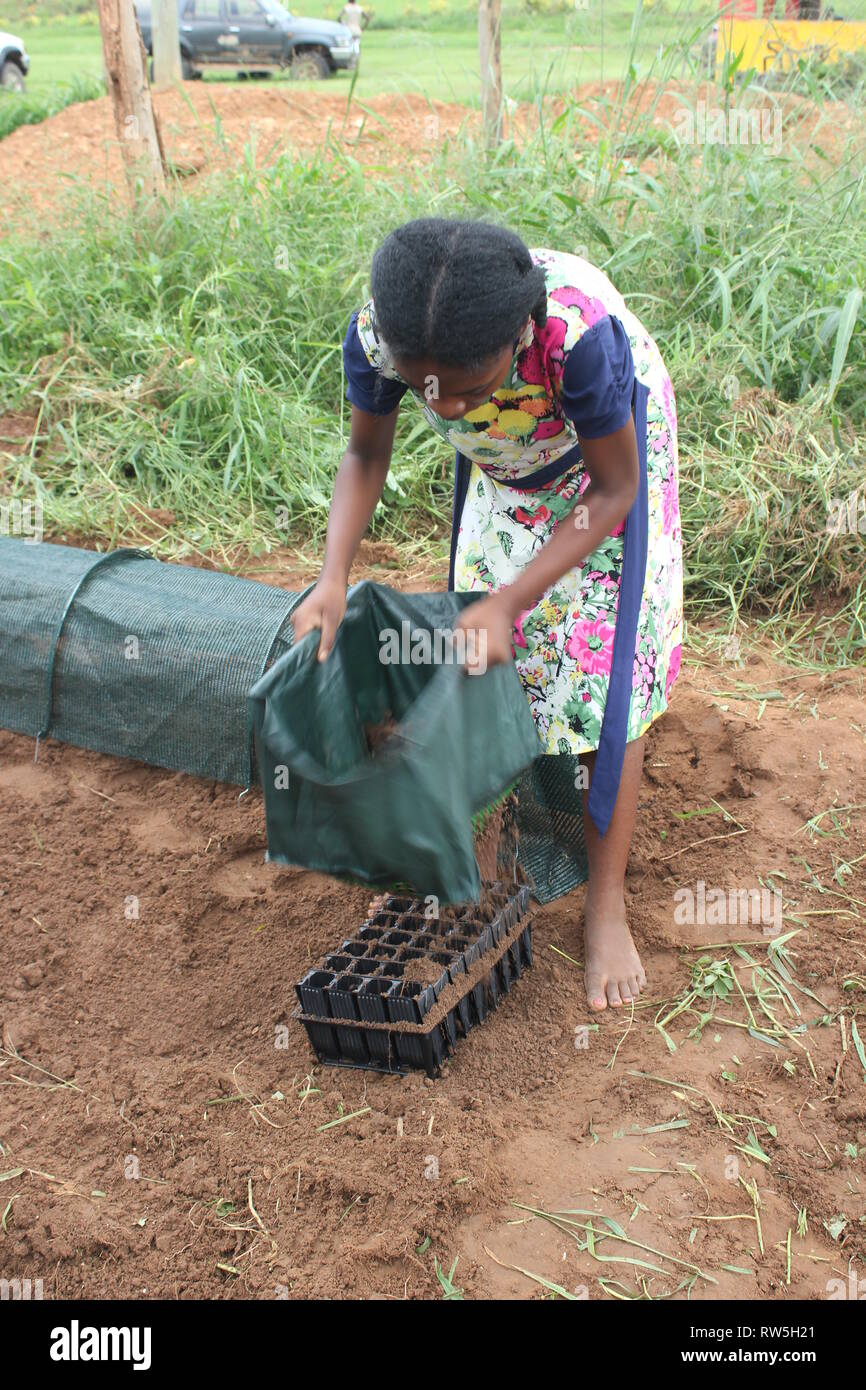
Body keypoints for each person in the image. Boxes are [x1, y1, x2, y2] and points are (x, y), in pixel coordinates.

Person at [292, 220, 683, 1013]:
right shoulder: (382, 333)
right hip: (505, 470)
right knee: (480, 648)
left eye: (474, 385)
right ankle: (474, 841)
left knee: (603, 674)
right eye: (431, 386)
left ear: (522, 334)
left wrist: (513, 598)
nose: (455, 403)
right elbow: (367, 454)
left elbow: (613, 492)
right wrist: (332, 576)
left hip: (602, 465)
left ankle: (604, 905)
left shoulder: (579, 342)